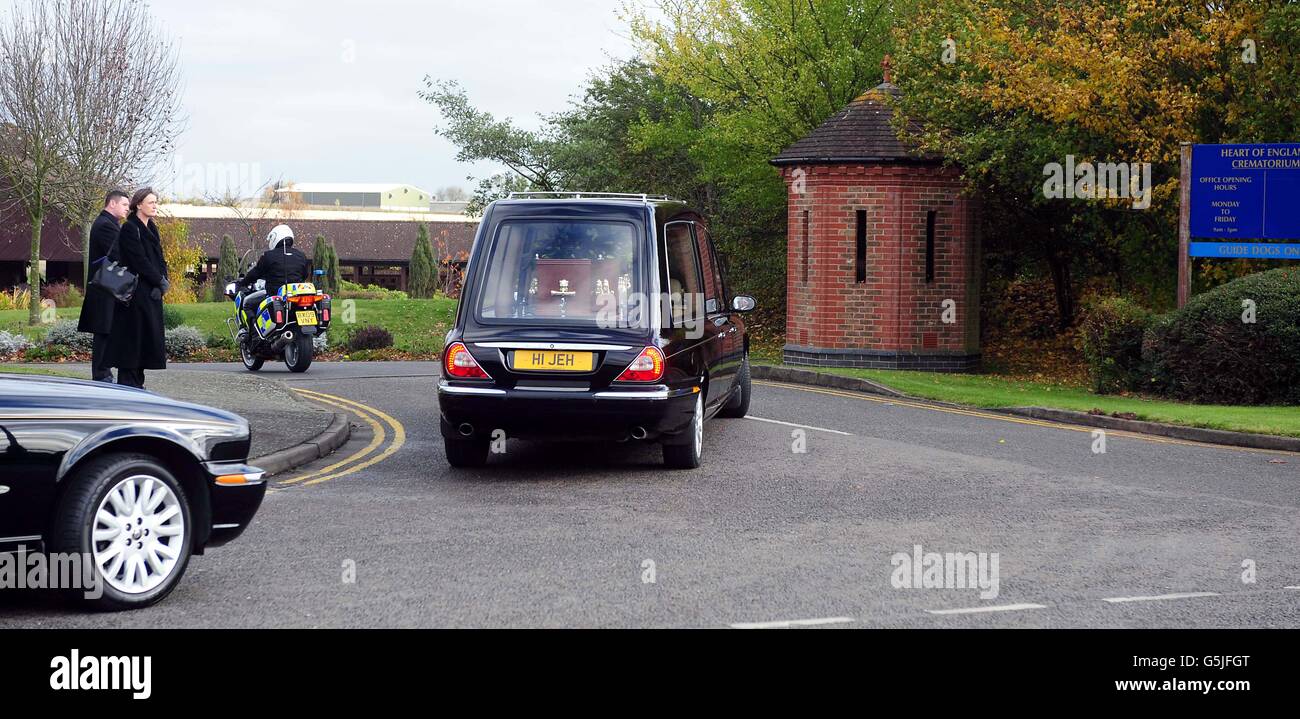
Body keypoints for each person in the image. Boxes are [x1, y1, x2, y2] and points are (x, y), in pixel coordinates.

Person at [106, 188, 169, 389]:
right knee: (133, 339)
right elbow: (138, 260)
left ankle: (137, 382)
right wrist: (158, 280)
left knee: (146, 339)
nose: (155, 206)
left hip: (150, 292)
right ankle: (128, 384)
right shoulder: (130, 228)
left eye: (156, 202)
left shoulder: (152, 227)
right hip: (134, 294)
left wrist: (162, 281)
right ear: (139, 204)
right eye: (151, 202)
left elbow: (158, 257)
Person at [77, 190, 129, 382]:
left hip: (105, 287)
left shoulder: (106, 223)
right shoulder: (106, 225)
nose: (127, 209)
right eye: (124, 205)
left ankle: (103, 373)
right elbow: (119, 253)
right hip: (106, 288)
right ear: (112, 204)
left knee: (105, 331)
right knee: (104, 331)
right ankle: (102, 374)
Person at [237, 224, 312, 330]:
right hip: (295, 296)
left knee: (247, 303)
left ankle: (254, 334)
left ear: (275, 238)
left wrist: (242, 283)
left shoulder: (268, 256)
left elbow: (255, 274)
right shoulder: (301, 255)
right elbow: (305, 275)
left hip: (275, 294)